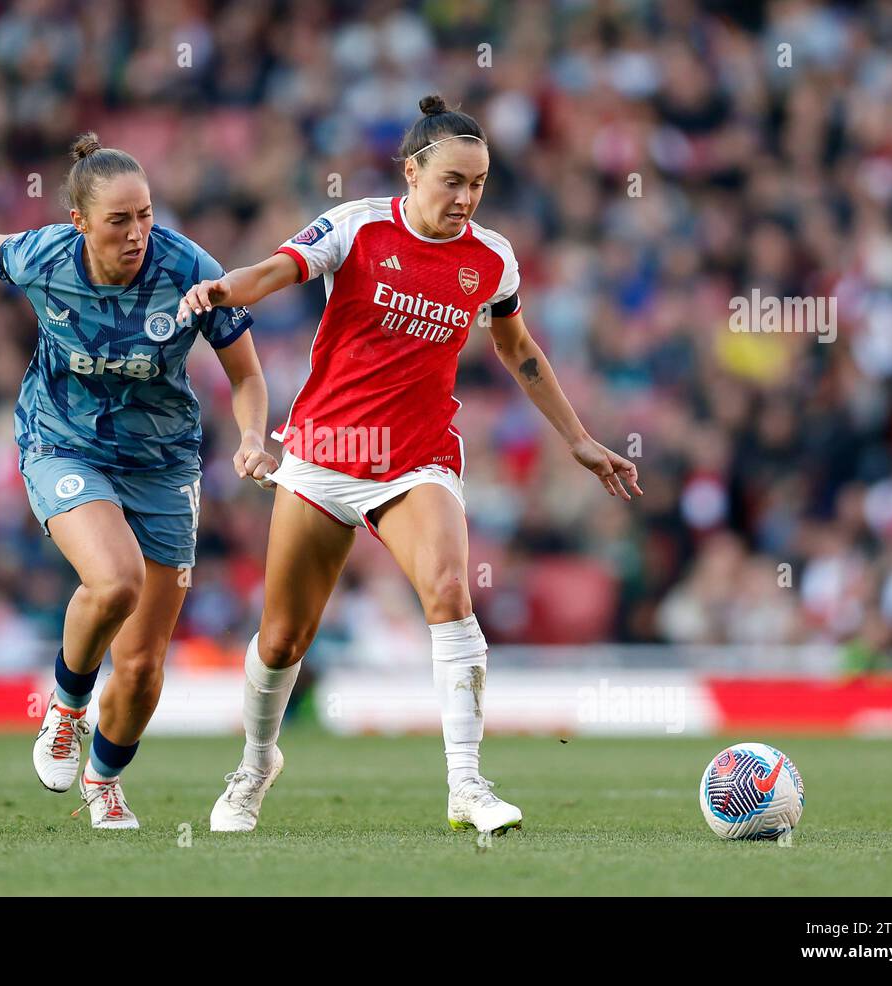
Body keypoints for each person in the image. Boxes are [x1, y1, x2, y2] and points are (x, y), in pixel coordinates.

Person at [177, 96, 643, 834]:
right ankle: (256, 761)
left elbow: (517, 348)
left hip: (416, 459)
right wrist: (221, 290)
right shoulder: (357, 225)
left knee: (451, 589)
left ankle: (467, 785)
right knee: (282, 639)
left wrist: (578, 438)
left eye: (479, 183)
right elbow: (276, 270)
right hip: (325, 453)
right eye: (452, 180)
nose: (465, 198)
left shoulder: (492, 258)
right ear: (413, 172)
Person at [0, 133, 276, 829]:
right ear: (80, 223)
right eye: (119, 220)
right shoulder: (45, 257)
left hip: (163, 465)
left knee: (140, 669)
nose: (137, 234)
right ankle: (65, 708)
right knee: (116, 580)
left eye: (146, 215)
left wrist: (252, 435)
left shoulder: (190, 269)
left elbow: (246, 374)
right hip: (62, 443)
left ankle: (103, 779)